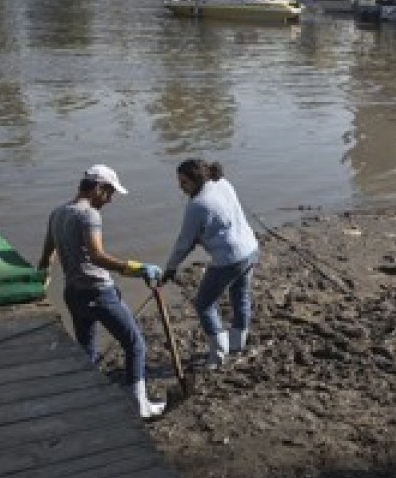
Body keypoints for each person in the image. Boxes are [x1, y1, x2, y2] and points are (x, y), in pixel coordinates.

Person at [37, 165, 166, 419]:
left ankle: (88, 400)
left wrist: (41, 286)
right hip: (98, 292)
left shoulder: (58, 212)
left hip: (73, 293)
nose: (110, 199)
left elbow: (46, 257)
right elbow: (96, 256)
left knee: (86, 348)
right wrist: (137, 269)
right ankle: (139, 405)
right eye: (109, 193)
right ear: (97, 188)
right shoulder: (89, 215)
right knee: (134, 344)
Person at [162, 160, 258, 370]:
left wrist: (170, 267)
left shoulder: (197, 205)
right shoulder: (222, 183)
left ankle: (218, 355)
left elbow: (184, 243)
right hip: (250, 249)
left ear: (196, 180)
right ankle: (237, 344)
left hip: (230, 259)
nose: (180, 187)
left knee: (204, 303)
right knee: (240, 295)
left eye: (184, 182)